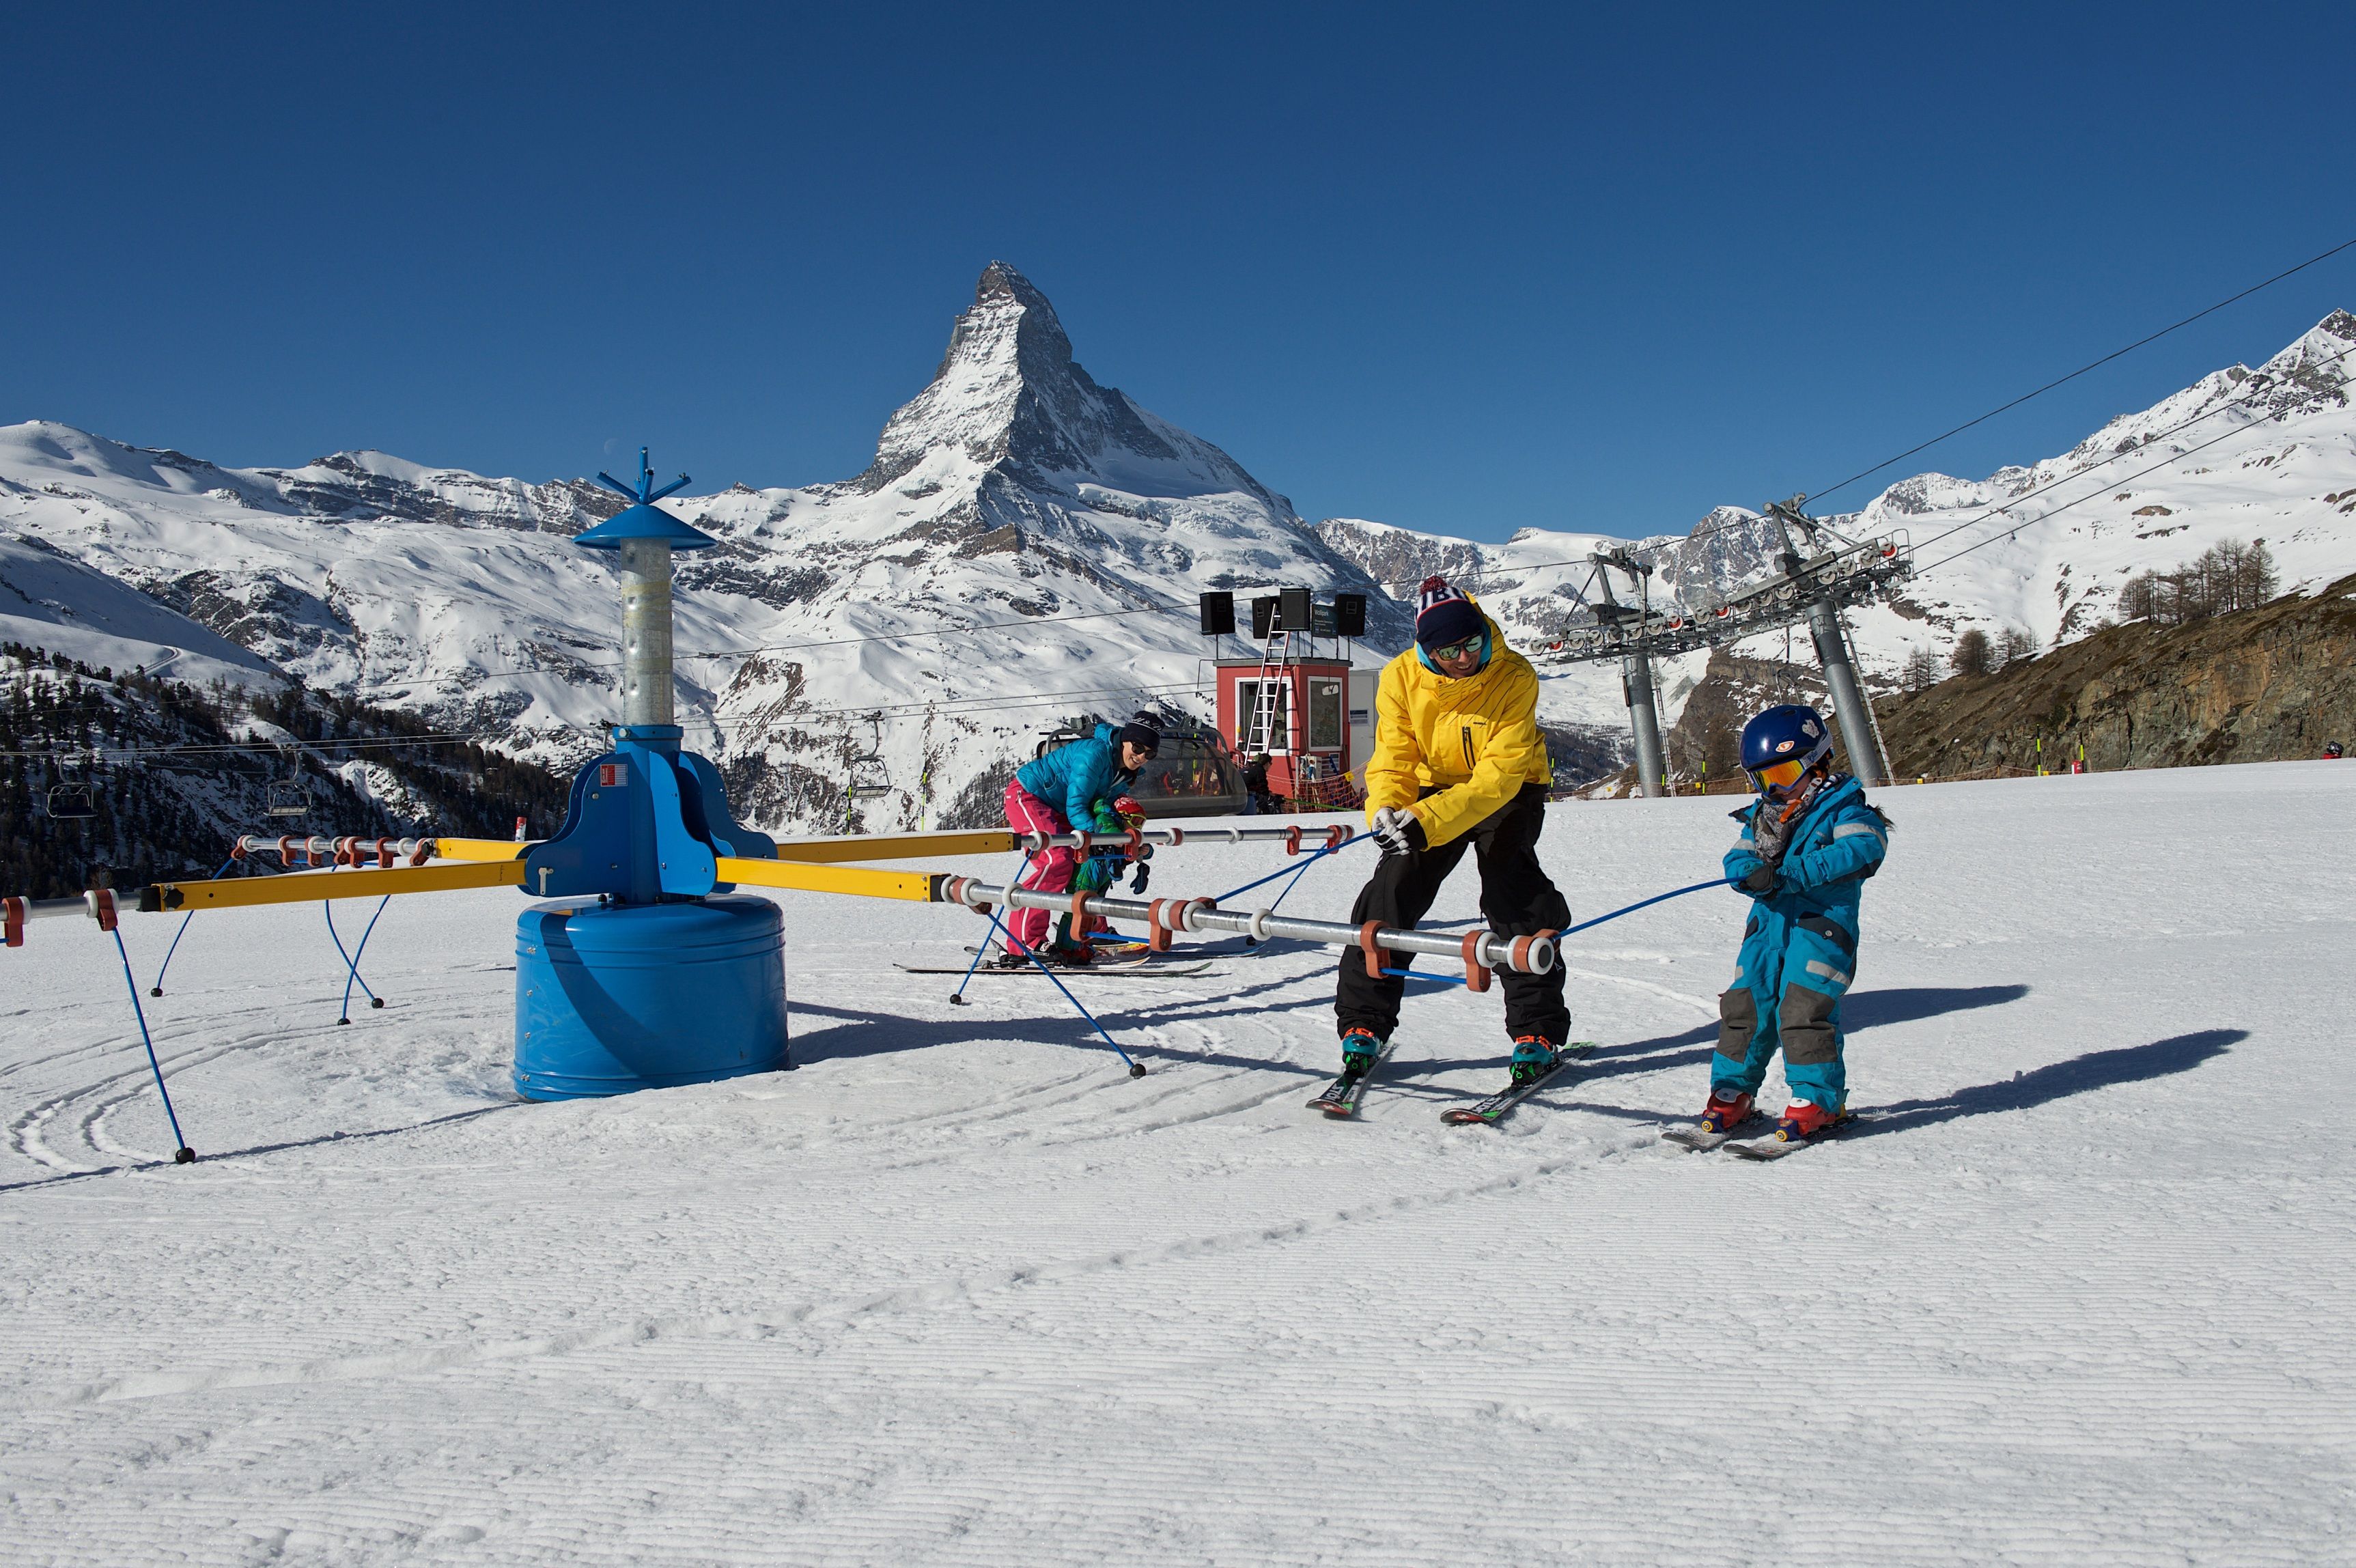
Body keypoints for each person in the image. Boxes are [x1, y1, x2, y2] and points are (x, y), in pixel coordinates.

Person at [1334, 576, 1567, 1084]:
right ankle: (1363, 1022)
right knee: (1391, 890)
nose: (1463, 658)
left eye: (1472, 644)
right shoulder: (1401, 678)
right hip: (1430, 788)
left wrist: (1429, 822)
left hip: (1509, 789)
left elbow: (1498, 775)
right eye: (1449, 651)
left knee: (1511, 889)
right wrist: (1388, 808)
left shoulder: (1515, 675)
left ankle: (1537, 1030)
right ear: (1425, 650)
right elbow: (1394, 754)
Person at [1695, 704, 1891, 1145]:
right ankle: (1733, 1092)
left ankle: (1818, 1100)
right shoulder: (1761, 819)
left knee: (1803, 1010)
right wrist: (1747, 873)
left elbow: (1862, 850)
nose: (1776, 787)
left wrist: (1789, 875)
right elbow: (1738, 856)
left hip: (1821, 927)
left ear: (1817, 762)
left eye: (1784, 772)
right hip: (1766, 930)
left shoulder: (1846, 809)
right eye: (1764, 779)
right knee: (1747, 1007)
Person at [1000, 715, 1160, 965]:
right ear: (1125, 741)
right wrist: (1101, 836)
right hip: (1030, 797)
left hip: (1059, 809)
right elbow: (1076, 807)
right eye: (1138, 749)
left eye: (1148, 755)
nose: (1140, 757)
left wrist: (1116, 833)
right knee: (1057, 860)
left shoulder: (1126, 773)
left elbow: (1100, 804)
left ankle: (1088, 931)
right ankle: (1025, 941)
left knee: (1093, 862)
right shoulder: (1095, 755)